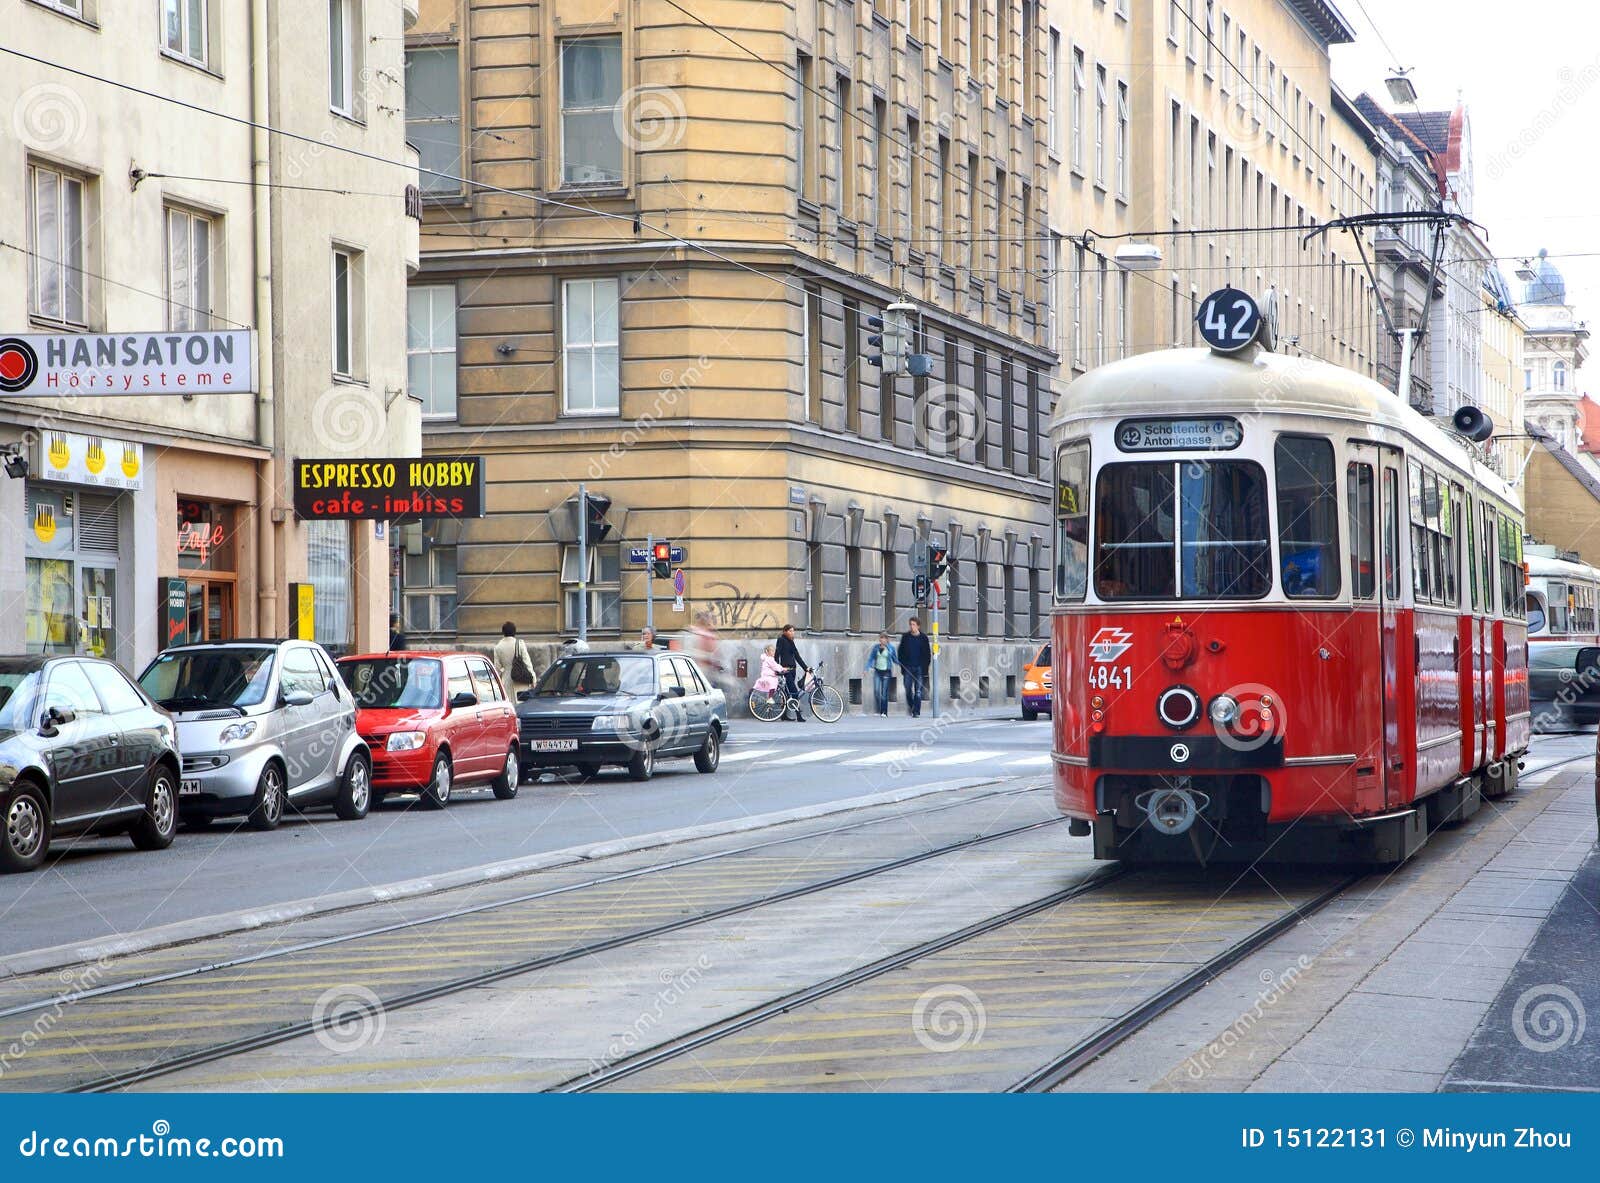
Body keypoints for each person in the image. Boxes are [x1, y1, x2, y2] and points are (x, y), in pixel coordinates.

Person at [773, 624, 809, 722]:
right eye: (790, 631)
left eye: (793, 631)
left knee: (787, 693)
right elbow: (777, 655)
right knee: (794, 693)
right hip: (786, 671)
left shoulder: (791, 642)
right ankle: (799, 716)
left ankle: (784, 715)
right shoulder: (781, 640)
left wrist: (806, 668)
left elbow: (797, 656)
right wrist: (777, 668)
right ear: (784, 631)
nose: (792, 633)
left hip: (793, 670)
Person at [492, 621, 536, 699]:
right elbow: (527, 663)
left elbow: (497, 669)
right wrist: (533, 679)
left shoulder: (498, 647)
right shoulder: (519, 644)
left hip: (506, 682)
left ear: (503, 632)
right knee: (521, 706)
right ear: (514, 631)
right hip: (521, 680)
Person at [898, 617, 932, 718]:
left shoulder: (923, 638)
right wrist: (902, 665)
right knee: (908, 689)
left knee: (918, 691)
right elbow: (900, 652)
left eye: (913, 624)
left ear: (918, 626)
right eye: (910, 624)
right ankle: (912, 705)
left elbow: (927, 654)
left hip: (919, 668)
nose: (911, 626)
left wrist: (925, 667)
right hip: (908, 667)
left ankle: (916, 711)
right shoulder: (906, 637)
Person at [864, 632, 898, 717]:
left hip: (887, 671)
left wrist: (901, 663)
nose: (881, 640)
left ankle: (884, 712)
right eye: (880, 638)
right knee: (876, 690)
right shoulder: (876, 648)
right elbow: (871, 658)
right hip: (877, 671)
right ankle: (879, 709)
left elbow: (894, 659)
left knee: (884, 693)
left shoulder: (891, 648)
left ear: (886, 639)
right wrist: (866, 669)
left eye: (883, 638)